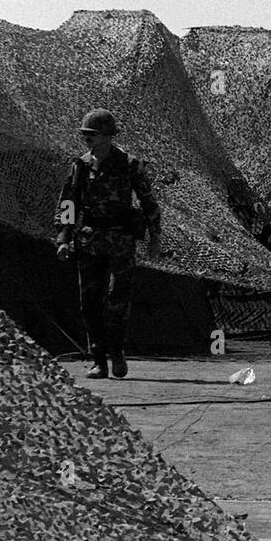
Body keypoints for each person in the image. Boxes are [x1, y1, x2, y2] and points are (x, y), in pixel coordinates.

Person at [54, 109, 162, 379]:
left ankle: (117, 351)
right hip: (90, 239)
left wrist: (155, 236)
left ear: (108, 136)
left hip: (120, 240)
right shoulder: (81, 165)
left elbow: (149, 201)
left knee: (117, 299)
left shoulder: (129, 164)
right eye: (85, 135)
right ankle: (99, 358)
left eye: (92, 135)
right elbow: (69, 202)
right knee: (89, 301)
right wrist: (64, 238)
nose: (87, 139)